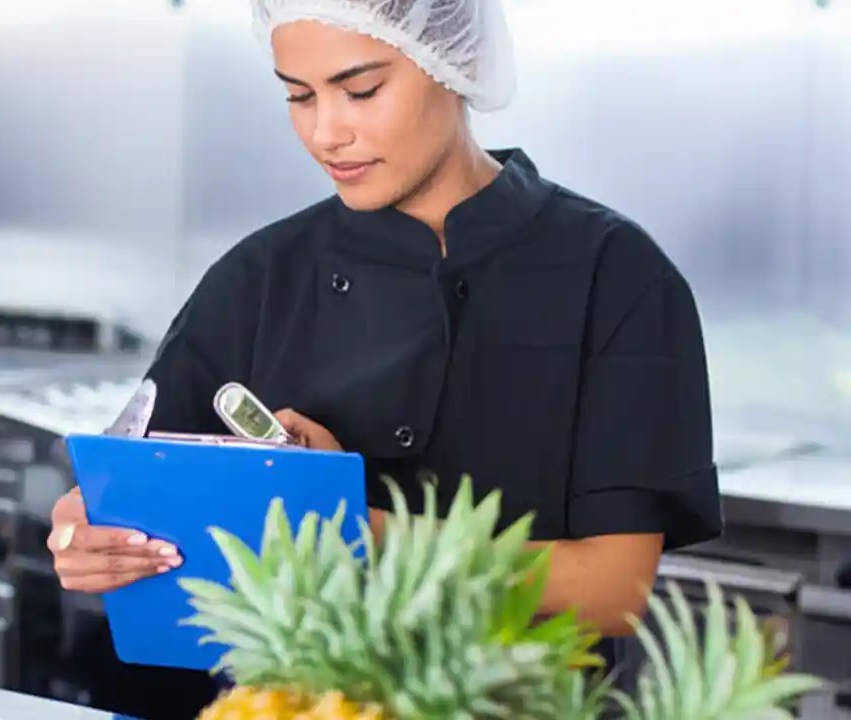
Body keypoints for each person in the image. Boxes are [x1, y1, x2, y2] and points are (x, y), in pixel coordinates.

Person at [48, 0, 723, 717]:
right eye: (298, 96)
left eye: (361, 90)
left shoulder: (614, 274)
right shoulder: (258, 277)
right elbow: (123, 485)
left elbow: (613, 590)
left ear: (451, 67)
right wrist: (87, 530)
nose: (324, 133)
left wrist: (342, 522)